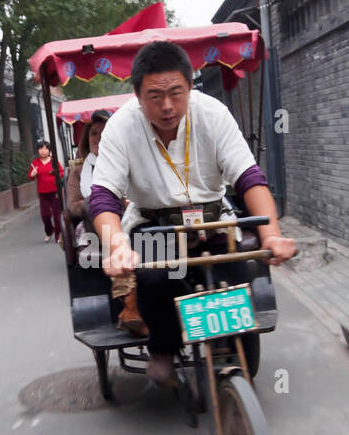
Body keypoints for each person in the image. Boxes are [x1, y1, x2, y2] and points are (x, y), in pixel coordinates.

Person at [88, 41, 297, 386]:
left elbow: (249, 177)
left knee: (237, 273)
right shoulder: (122, 127)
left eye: (176, 93)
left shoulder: (213, 114)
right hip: (155, 227)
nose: (167, 106)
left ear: (190, 85)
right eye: (155, 96)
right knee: (154, 281)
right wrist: (116, 246)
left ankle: (230, 352)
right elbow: (104, 195)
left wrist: (271, 233)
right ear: (138, 96)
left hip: (213, 221)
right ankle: (163, 350)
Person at [65, 110, 146, 335]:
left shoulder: (127, 162)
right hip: (93, 228)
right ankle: (130, 306)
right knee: (97, 211)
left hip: (130, 220)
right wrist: (99, 203)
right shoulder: (79, 170)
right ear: (86, 138)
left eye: (104, 133)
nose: (98, 138)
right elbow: (72, 206)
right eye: (94, 134)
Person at [28, 140, 63, 244]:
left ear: (49, 150)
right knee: (45, 215)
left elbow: (61, 172)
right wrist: (33, 174)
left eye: (45, 148)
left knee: (57, 216)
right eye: (41, 149)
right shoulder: (35, 163)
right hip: (43, 193)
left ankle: (58, 235)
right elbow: (30, 177)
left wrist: (56, 173)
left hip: (55, 192)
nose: (43, 151)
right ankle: (49, 231)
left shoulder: (54, 161)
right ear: (38, 150)